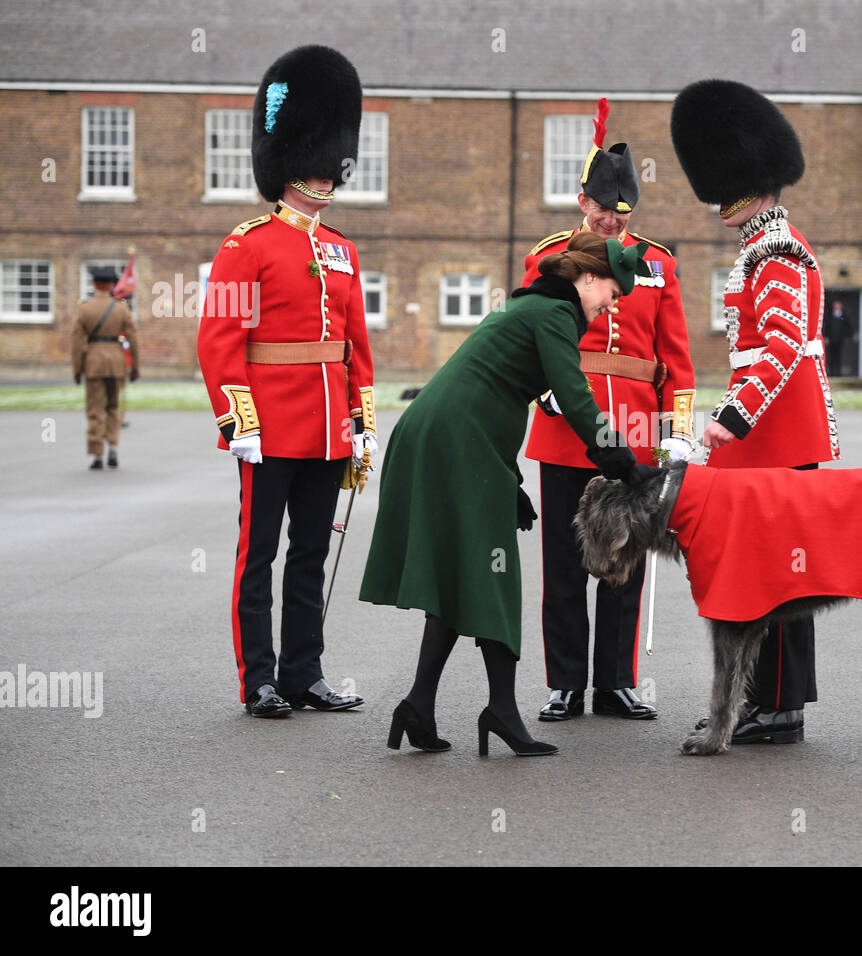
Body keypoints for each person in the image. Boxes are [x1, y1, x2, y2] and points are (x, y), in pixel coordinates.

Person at [360, 232, 643, 757]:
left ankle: (420, 704)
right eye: (611, 291)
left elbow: (488, 390)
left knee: (459, 573)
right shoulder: (555, 316)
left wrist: (508, 481)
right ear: (586, 279)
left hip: (450, 434)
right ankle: (501, 710)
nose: (613, 303)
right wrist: (624, 463)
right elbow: (576, 398)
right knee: (495, 572)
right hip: (457, 441)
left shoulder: (538, 307)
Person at [197, 46, 375, 718]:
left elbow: (354, 346)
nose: (326, 176)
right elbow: (218, 342)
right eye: (315, 161)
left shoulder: (343, 251)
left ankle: (305, 673)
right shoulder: (247, 245)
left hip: (328, 429)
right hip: (269, 428)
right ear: (287, 166)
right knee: (259, 559)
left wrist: (360, 425)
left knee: (309, 557)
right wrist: (238, 420)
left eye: (331, 163)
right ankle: (260, 679)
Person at [671, 78, 839, 745]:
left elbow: (781, 350)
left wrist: (731, 420)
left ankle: (776, 707)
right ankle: (761, 702)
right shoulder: (758, 248)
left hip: (774, 435)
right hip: (762, 434)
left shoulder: (778, 251)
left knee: (777, 572)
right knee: (763, 571)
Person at [522, 100, 695, 724]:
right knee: (565, 564)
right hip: (568, 424)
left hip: (638, 428)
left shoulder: (658, 263)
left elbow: (674, 355)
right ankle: (565, 682)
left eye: (622, 216)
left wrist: (676, 431)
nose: (612, 225)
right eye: (601, 212)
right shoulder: (549, 257)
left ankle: (616, 681)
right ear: (581, 201)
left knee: (625, 558)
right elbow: (533, 336)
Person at [71, 266, 138, 470]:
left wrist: (77, 369)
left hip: (93, 362)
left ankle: (97, 454)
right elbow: (133, 338)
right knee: (114, 408)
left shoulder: (84, 308)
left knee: (95, 410)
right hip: (117, 362)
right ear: (111, 285)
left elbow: (76, 342)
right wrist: (135, 366)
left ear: (94, 285)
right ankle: (114, 447)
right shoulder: (121, 308)